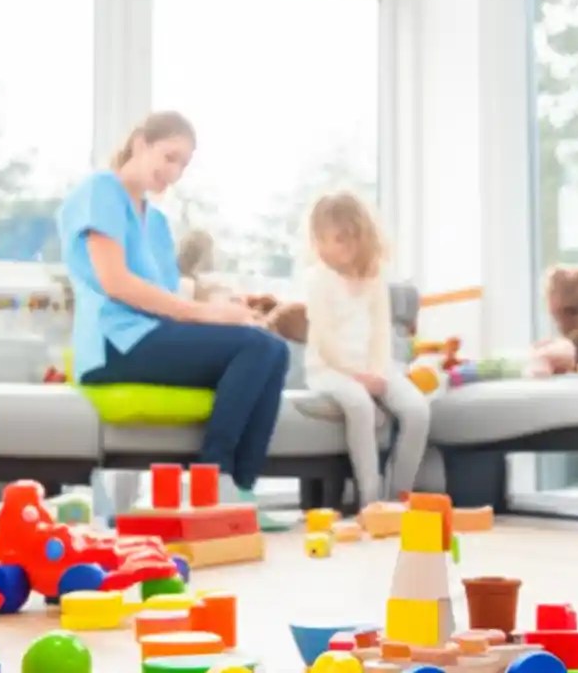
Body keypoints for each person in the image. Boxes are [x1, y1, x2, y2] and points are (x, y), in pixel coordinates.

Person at [57, 111, 290, 501]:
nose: (175, 171)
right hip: (113, 343)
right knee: (256, 348)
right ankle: (212, 486)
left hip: (150, 335)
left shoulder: (159, 224)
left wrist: (225, 309)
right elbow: (116, 283)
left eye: (183, 164)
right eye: (170, 157)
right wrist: (208, 316)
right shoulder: (102, 190)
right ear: (140, 144)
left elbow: (168, 300)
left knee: (274, 349)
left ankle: (240, 491)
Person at [302, 191, 429, 508]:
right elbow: (326, 341)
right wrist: (357, 376)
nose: (345, 247)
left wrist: (375, 371)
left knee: (417, 410)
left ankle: (399, 496)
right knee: (360, 405)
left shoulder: (374, 279)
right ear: (319, 241)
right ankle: (369, 500)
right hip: (329, 370)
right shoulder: (318, 280)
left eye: (351, 238)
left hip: (374, 367)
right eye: (336, 239)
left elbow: (380, 333)